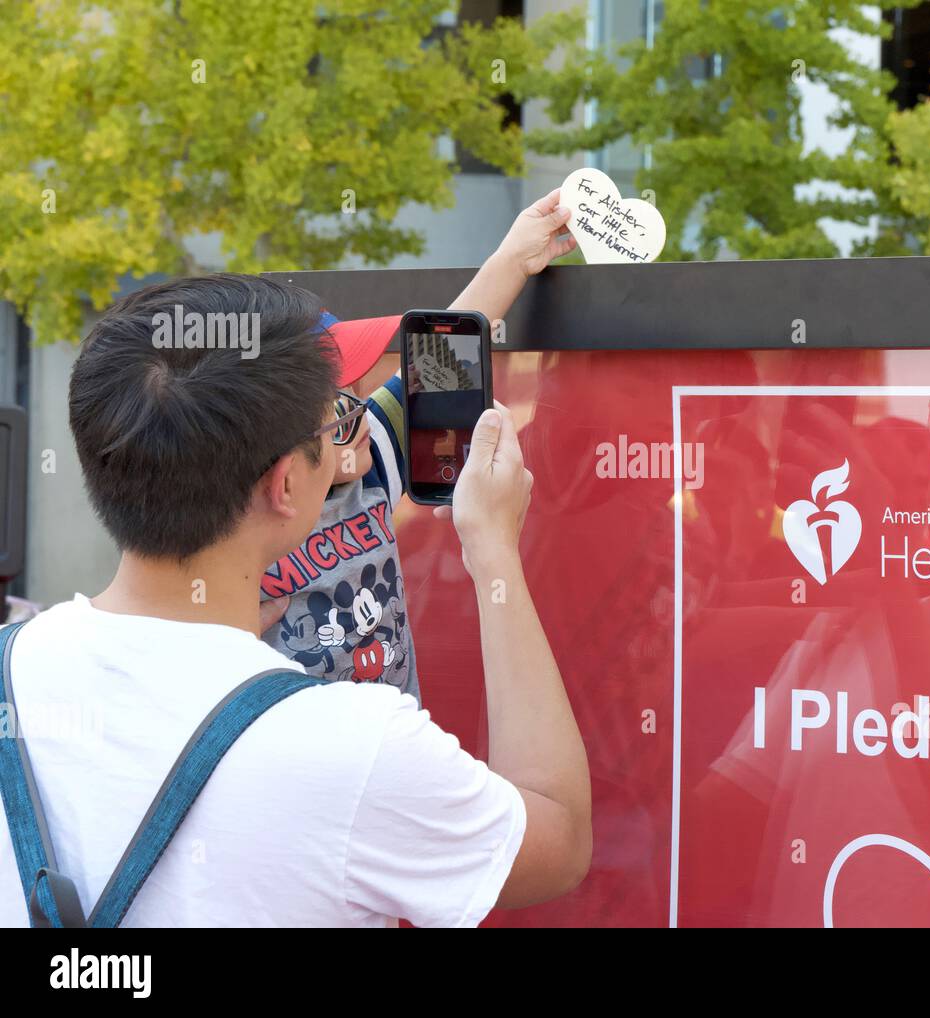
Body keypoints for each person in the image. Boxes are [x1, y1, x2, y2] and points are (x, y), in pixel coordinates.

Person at [0, 272, 591, 927]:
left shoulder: (11, 672)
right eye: (340, 416)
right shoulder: (352, 749)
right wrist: (493, 551)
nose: (359, 422)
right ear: (286, 483)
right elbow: (557, 838)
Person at [258, 189, 579, 703]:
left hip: (398, 746)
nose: (365, 415)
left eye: (361, 393)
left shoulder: (368, 468)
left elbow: (438, 360)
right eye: (343, 409)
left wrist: (514, 258)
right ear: (281, 465)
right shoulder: (241, 536)